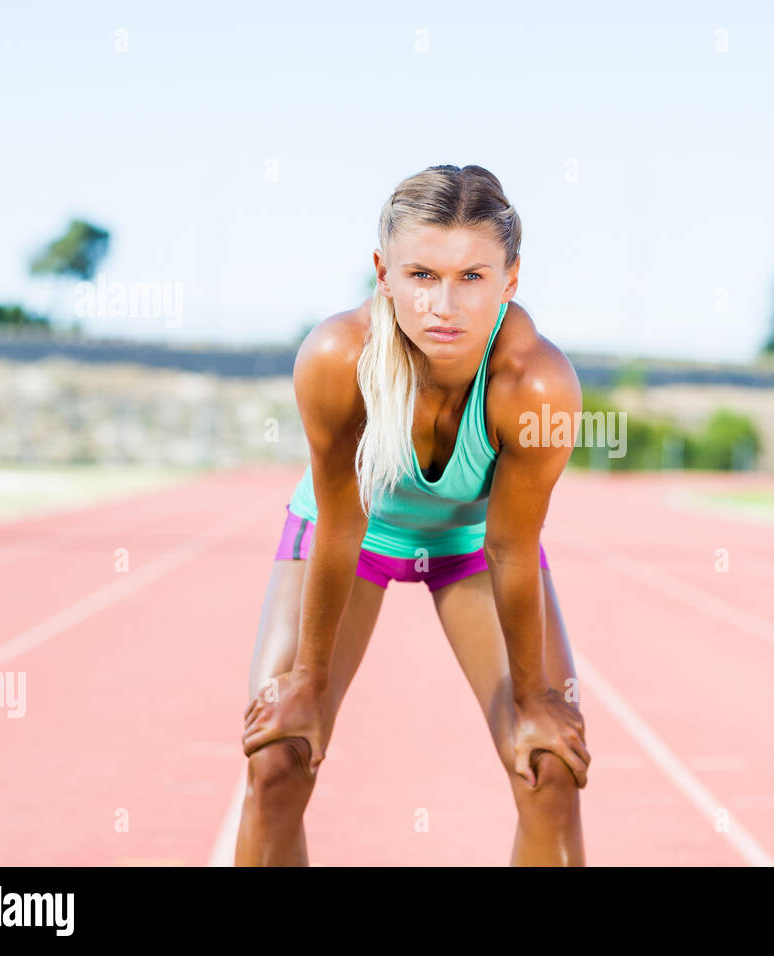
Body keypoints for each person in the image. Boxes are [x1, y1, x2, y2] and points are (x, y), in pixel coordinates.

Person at [237, 164, 590, 866]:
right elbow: (342, 526)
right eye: (422, 275)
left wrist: (533, 698)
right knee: (278, 760)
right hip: (352, 539)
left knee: (550, 769)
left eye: (473, 277)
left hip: (471, 545)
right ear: (383, 273)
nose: (444, 306)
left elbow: (512, 548)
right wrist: (307, 683)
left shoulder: (536, 384)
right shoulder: (338, 359)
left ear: (511, 280)